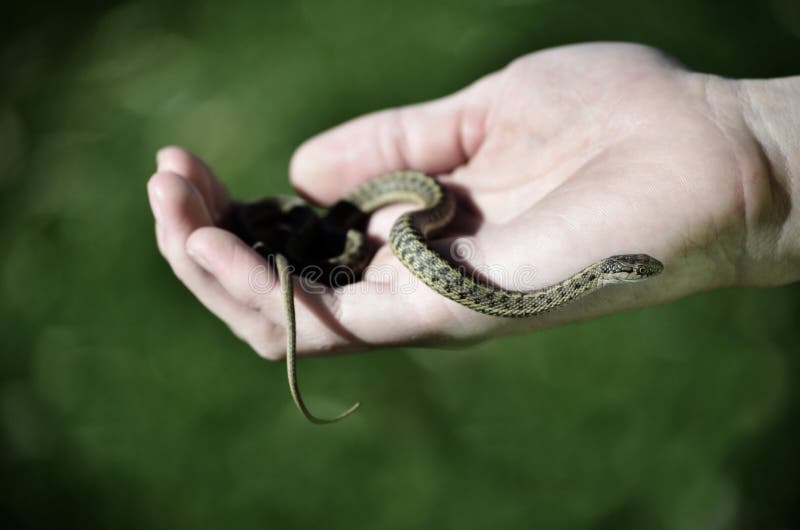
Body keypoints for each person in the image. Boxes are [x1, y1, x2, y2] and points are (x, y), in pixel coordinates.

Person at [146, 43, 799, 361]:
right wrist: (753, 144)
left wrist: (759, 147)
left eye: (635, 266)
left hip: (396, 222)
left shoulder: (541, 275)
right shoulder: (421, 208)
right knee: (338, 235)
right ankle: (292, 233)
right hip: (380, 220)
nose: (640, 265)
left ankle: (301, 238)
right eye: (636, 264)